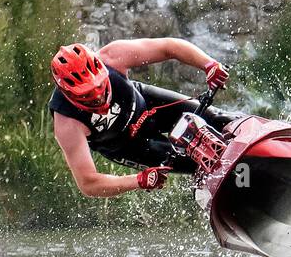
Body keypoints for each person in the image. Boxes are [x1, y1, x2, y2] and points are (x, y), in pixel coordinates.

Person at [49, 38, 231, 196]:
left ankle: (256, 136)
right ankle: (240, 186)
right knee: (199, 164)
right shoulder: (67, 122)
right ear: (68, 93)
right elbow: (88, 183)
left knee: (218, 119)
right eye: (87, 94)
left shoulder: (112, 56)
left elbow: (169, 47)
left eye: (100, 86)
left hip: (149, 106)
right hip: (128, 146)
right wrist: (139, 180)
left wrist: (209, 65)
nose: (99, 97)